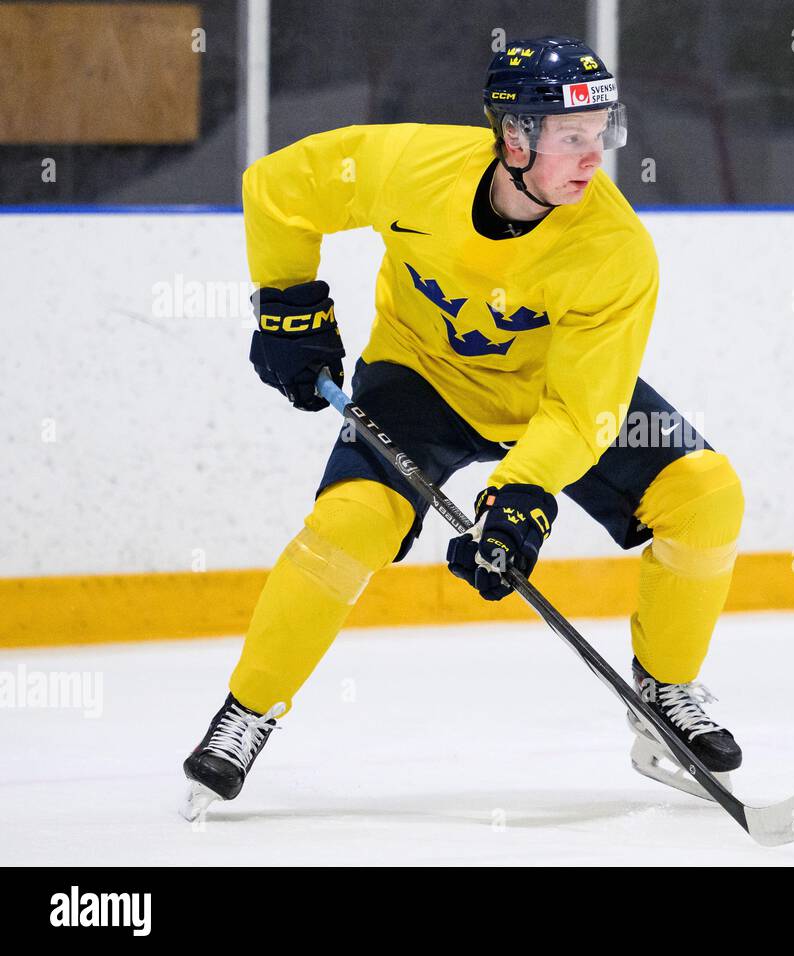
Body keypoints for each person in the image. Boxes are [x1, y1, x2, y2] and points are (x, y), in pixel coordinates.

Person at [182, 36, 745, 819]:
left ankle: (666, 688)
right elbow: (280, 186)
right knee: (347, 527)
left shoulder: (616, 252)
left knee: (706, 495)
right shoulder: (414, 168)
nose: (594, 158)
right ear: (515, 136)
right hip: (420, 380)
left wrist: (519, 496)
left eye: (602, 133)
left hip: (548, 398)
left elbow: (584, 410)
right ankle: (247, 712)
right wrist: (287, 304)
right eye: (572, 136)